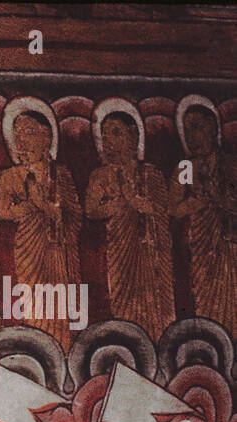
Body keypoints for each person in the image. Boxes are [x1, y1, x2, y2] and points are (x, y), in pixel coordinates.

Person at [0, 104, 83, 347]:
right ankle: (41, 350)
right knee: (34, 301)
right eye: (17, 136)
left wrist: (40, 203)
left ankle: (66, 350)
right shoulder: (10, 176)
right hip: (29, 248)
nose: (22, 142)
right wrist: (32, 206)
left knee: (63, 306)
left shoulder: (61, 174)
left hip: (61, 251)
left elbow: (74, 214)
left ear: (47, 136)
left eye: (29, 133)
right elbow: (3, 212)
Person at [86, 105, 175, 340]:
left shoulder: (150, 174)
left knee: (155, 302)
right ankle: (130, 344)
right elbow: (91, 210)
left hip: (150, 251)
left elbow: (159, 208)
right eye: (104, 135)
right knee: (124, 298)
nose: (109, 141)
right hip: (120, 247)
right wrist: (114, 205)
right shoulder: (100, 175)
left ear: (133, 135)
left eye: (116, 133)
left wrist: (130, 196)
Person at [168, 98, 237, 333]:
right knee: (209, 295)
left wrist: (222, 199)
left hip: (230, 241)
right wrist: (199, 201)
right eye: (187, 130)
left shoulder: (230, 164)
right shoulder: (187, 168)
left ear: (213, 128)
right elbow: (174, 207)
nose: (192, 136)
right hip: (203, 244)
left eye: (197, 127)